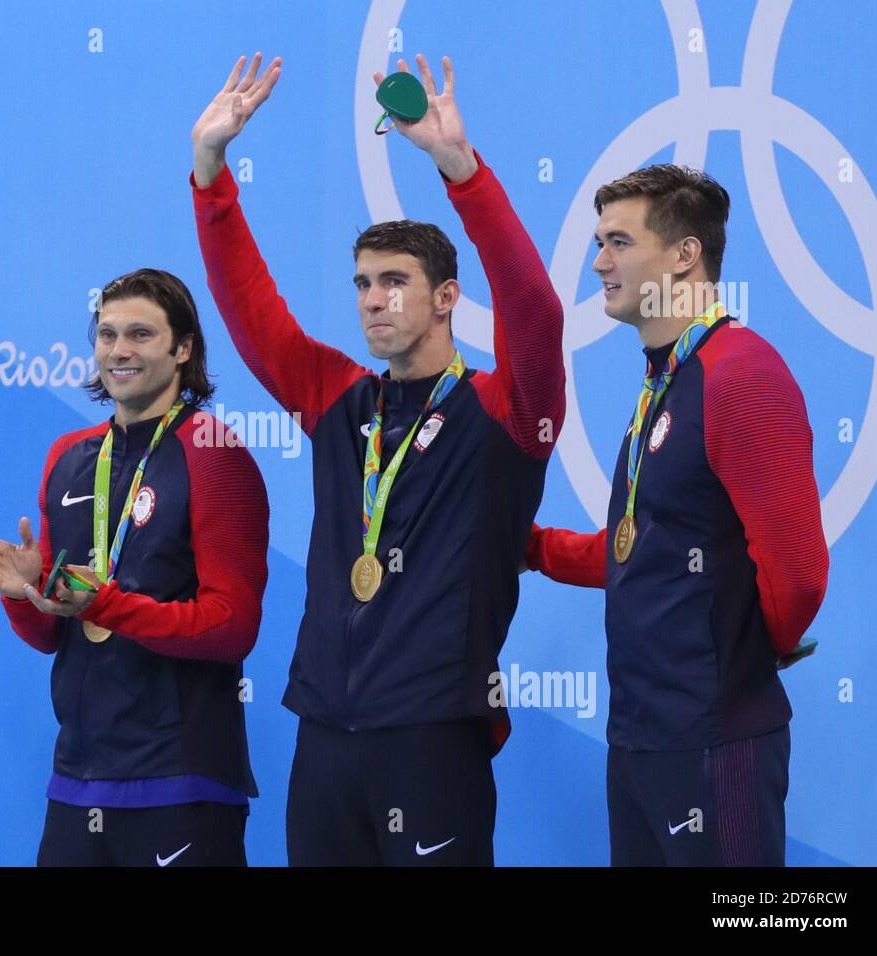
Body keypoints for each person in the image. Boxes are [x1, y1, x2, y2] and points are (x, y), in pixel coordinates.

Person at [189, 53, 565, 865]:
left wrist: (457, 168)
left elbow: (536, 309)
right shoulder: (337, 397)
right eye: (362, 282)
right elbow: (252, 311)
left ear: (446, 298)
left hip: (433, 739)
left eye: (395, 281)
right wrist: (211, 170)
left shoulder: (505, 411)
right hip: (325, 736)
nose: (372, 298)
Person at [525, 164, 829, 865]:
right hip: (640, 737)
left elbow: (802, 575)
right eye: (599, 242)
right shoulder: (665, 380)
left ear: (686, 253)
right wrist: (533, 547)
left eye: (619, 242)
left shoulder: (741, 375)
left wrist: (741, 658)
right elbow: (646, 547)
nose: (598, 262)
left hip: (716, 740)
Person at [0, 268, 268, 867]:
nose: (118, 350)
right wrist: (25, 593)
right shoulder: (69, 456)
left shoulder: (214, 453)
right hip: (77, 779)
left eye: (140, 334)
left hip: (180, 780)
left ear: (183, 349)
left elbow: (233, 626)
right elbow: (56, 633)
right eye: (106, 335)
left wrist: (103, 605)